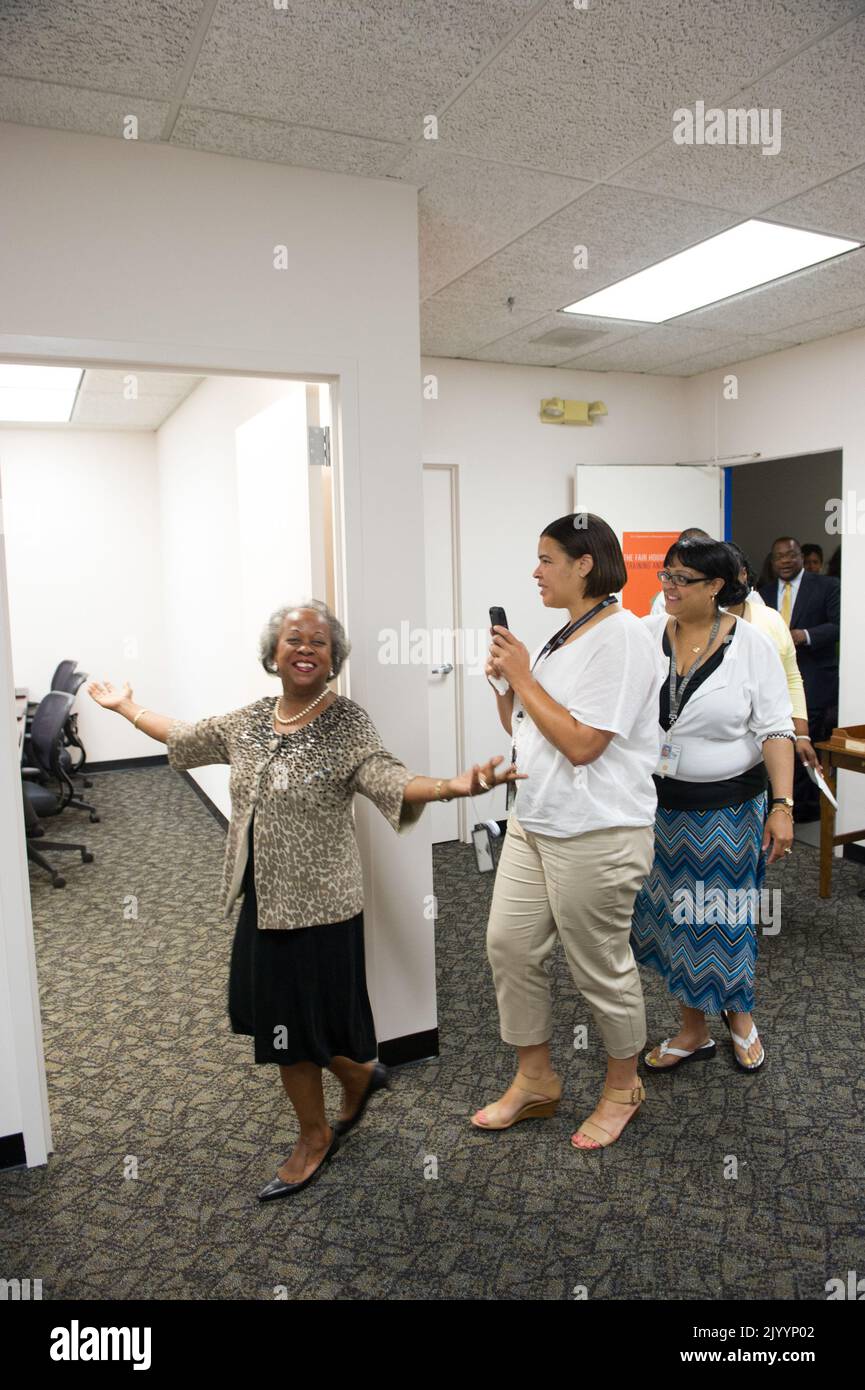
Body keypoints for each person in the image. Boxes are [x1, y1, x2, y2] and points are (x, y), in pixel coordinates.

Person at [88, 601, 522, 1201]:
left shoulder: (345, 723)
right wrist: (126, 707)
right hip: (262, 899)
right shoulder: (250, 721)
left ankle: (314, 1137)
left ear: (333, 659)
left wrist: (455, 786)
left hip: (321, 907)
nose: (306, 648)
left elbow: (389, 778)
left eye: (319, 642)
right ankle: (359, 1072)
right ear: (274, 654)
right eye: (295, 639)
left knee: (290, 1028)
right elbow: (185, 737)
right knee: (279, 1019)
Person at [473, 513, 665, 1151]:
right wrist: (508, 686)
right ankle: (536, 1079)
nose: (535, 572)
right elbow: (527, 731)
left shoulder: (627, 638)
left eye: (547, 559)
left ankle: (622, 1088)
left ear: (585, 564)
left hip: (597, 831)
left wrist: (524, 676)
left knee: (599, 968)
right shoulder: (564, 637)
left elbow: (584, 745)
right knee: (509, 947)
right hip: (534, 820)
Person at [632, 538, 795, 1075]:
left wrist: (782, 805)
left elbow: (775, 728)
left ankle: (741, 1018)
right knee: (671, 922)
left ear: (716, 586)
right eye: (667, 576)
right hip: (659, 810)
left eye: (683, 579)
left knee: (723, 921)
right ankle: (693, 1029)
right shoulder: (648, 635)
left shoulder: (751, 645)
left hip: (727, 812)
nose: (670, 587)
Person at [758, 536, 840, 822]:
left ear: (801, 557)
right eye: (778, 556)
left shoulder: (827, 586)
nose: (784, 561)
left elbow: (838, 626)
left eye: (790, 555)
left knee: (808, 745)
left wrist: (803, 635)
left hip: (814, 679)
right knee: (779, 741)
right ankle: (782, 804)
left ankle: (805, 811)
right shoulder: (762, 594)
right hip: (772, 683)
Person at [724, 543, 818, 776]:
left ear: (744, 574)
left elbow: (791, 678)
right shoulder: (692, 623)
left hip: (763, 745)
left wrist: (802, 734)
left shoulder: (770, 620)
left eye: (731, 572)